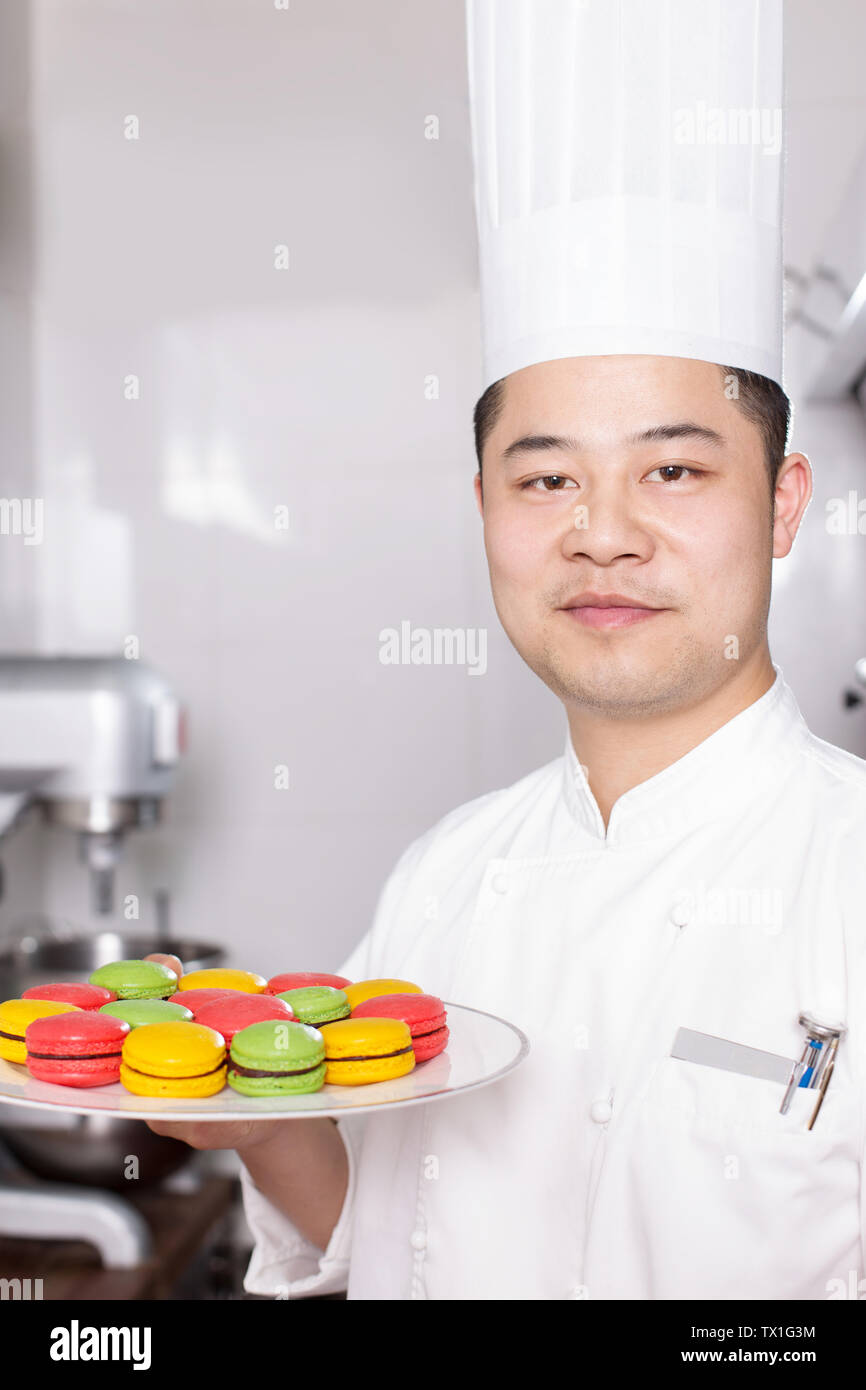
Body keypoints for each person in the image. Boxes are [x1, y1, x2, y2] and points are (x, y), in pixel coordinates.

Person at [148, 350, 866, 1299]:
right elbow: (377, 1234)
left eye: (674, 471)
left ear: (782, 502)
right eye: (547, 480)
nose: (602, 535)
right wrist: (259, 1122)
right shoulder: (443, 873)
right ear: (485, 505)